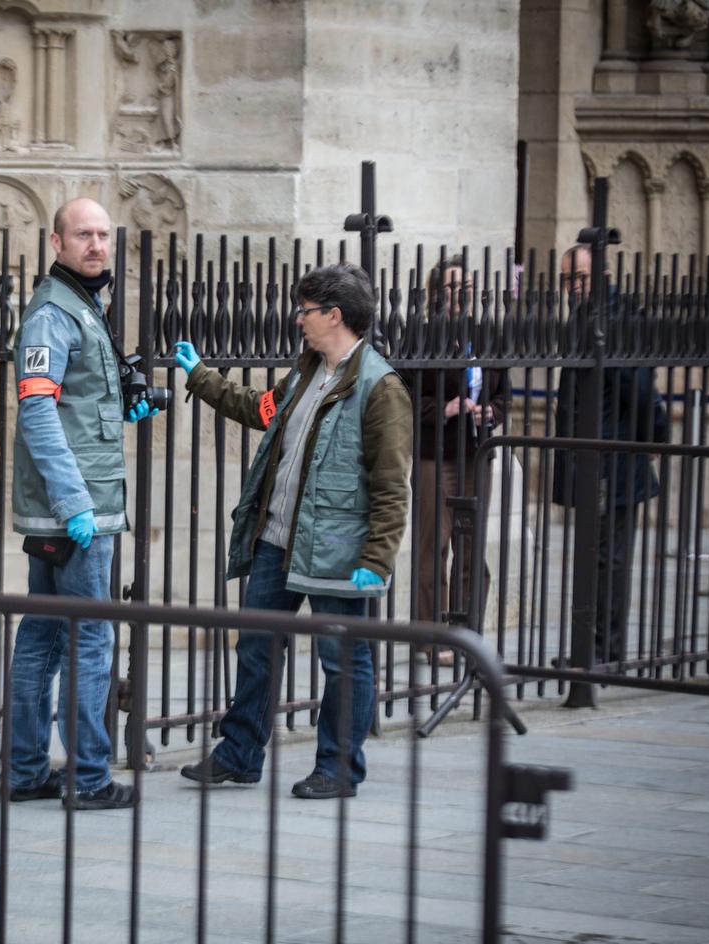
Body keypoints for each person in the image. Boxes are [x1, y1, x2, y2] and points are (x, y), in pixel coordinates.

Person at [174, 264, 412, 799]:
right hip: (276, 541)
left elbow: (392, 486)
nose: (297, 319)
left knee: (342, 662)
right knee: (256, 647)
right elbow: (262, 410)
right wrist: (202, 378)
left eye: (305, 310)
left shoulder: (381, 387)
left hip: (336, 551)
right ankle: (239, 754)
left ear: (335, 315)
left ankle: (338, 767)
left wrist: (375, 560)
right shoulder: (306, 371)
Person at [8, 197, 160, 810]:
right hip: (78, 509)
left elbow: (78, 402)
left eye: (103, 234)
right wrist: (74, 501)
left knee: (42, 636)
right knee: (89, 638)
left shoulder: (83, 306)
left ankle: (24, 772)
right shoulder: (52, 312)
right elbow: (37, 408)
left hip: (73, 502)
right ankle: (89, 778)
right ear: (56, 242)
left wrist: (131, 404)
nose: (96, 245)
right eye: (83, 235)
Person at [552, 244, 669, 665]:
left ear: (602, 275)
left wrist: (651, 439)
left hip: (612, 458)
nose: (573, 287)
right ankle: (593, 648)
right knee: (593, 554)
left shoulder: (615, 317)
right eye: (567, 279)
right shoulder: (590, 315)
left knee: (607, 558)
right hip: (592, 457)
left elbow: (637, 389)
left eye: (579, 278)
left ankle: (602, 651)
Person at [414, 255, 511, 663]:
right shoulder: (421, 337)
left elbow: (504, 392)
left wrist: (494, 412)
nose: (461, 296)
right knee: (434, 544)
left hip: (478, 451)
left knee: (471, 546)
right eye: (452, 288)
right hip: (436, 454)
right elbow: (406, 398)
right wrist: (447, 409)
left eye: (466, 288)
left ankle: (467, 634)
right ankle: (431, 636)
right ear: (437, 295)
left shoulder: (486, 335)